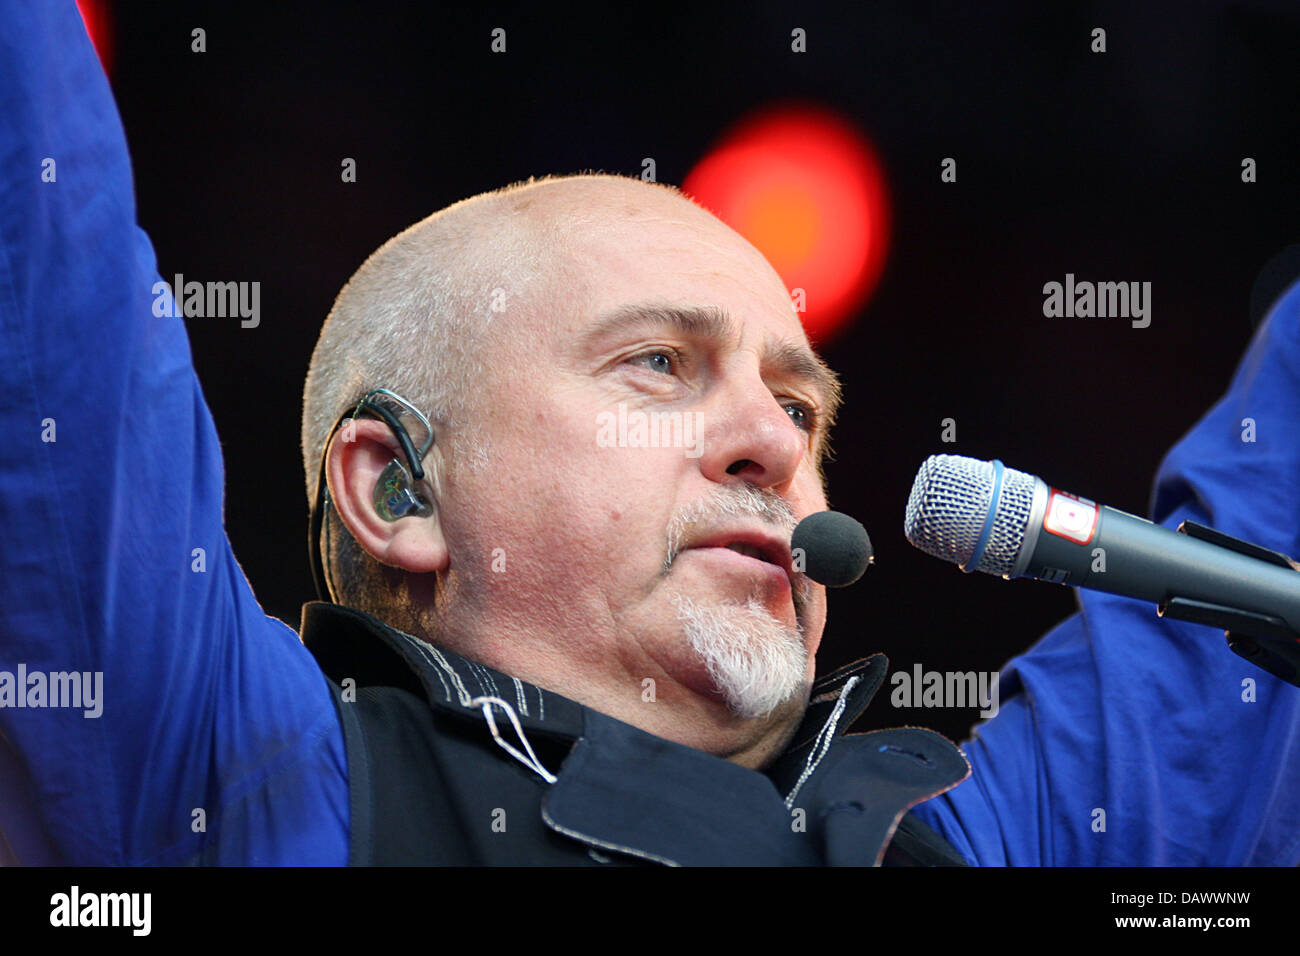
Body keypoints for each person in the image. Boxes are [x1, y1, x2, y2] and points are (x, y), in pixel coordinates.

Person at [3, 2, 1298, 866]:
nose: (773, 445)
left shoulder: (976, 838)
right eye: (659, 365)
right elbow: (42, 260)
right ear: (396, 488)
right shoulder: (249, 776)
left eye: (800, 408)